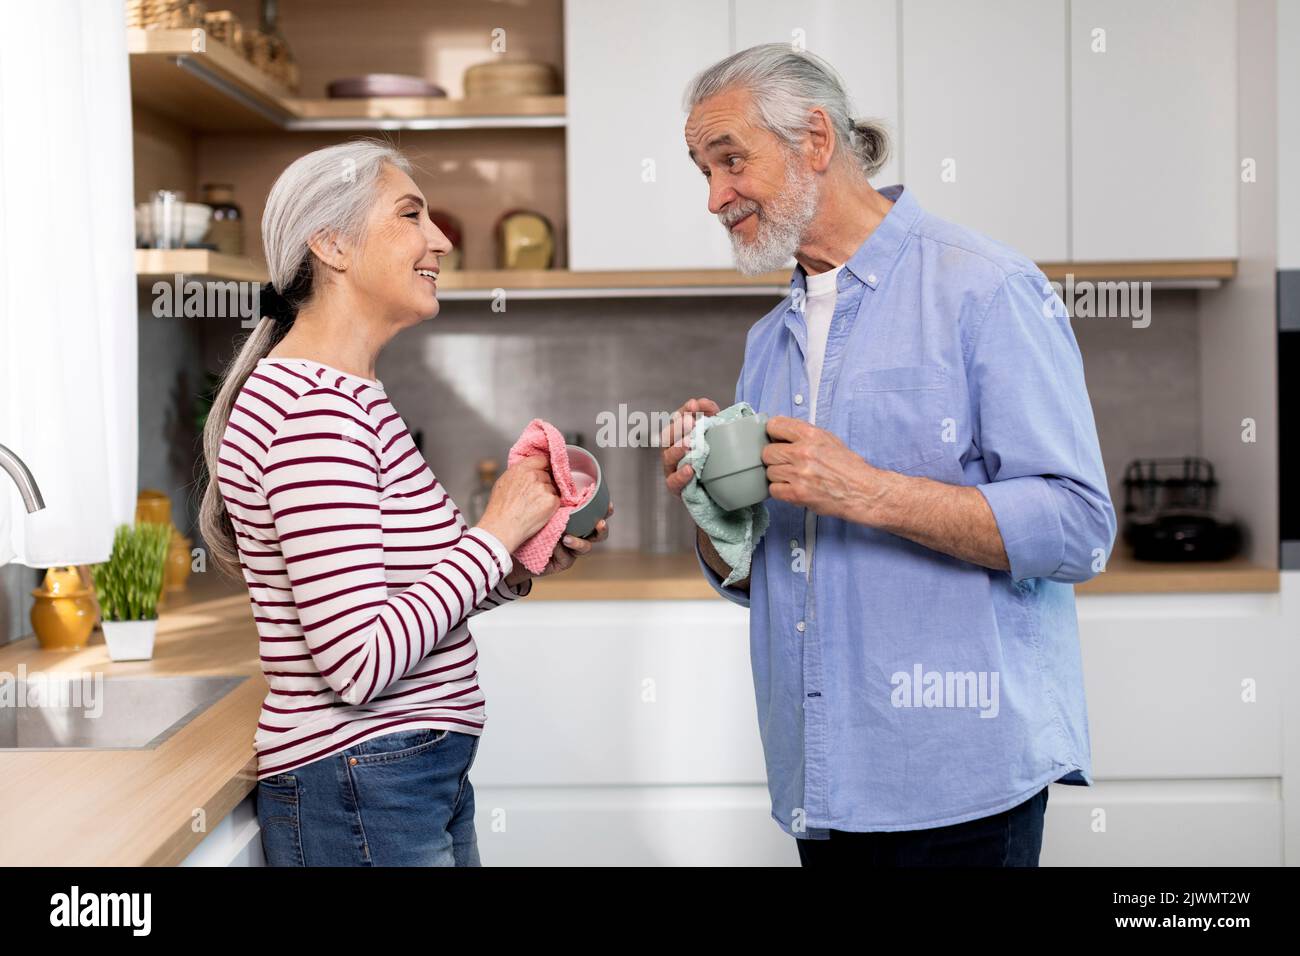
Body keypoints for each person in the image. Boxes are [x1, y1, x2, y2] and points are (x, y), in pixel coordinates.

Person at [663, 44, 1116, 866]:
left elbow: (1079, 529)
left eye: (730, 162)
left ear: (814, 140)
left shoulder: (985, 288)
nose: (714, 198)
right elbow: (772, 577)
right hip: (822, 782)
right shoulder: (770, 342)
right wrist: (712, 511)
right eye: (702, 172)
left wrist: (868, 492)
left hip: (959, 781)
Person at [198, 140, 610, 866]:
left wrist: (516, 560)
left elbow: (410, 603)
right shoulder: (313, 413)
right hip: (363, 780)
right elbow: (358, 662)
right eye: (411, 215)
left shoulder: (349, 396)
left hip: (400, 776)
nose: (441, 239)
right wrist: (493, 532)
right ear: (330, 244)